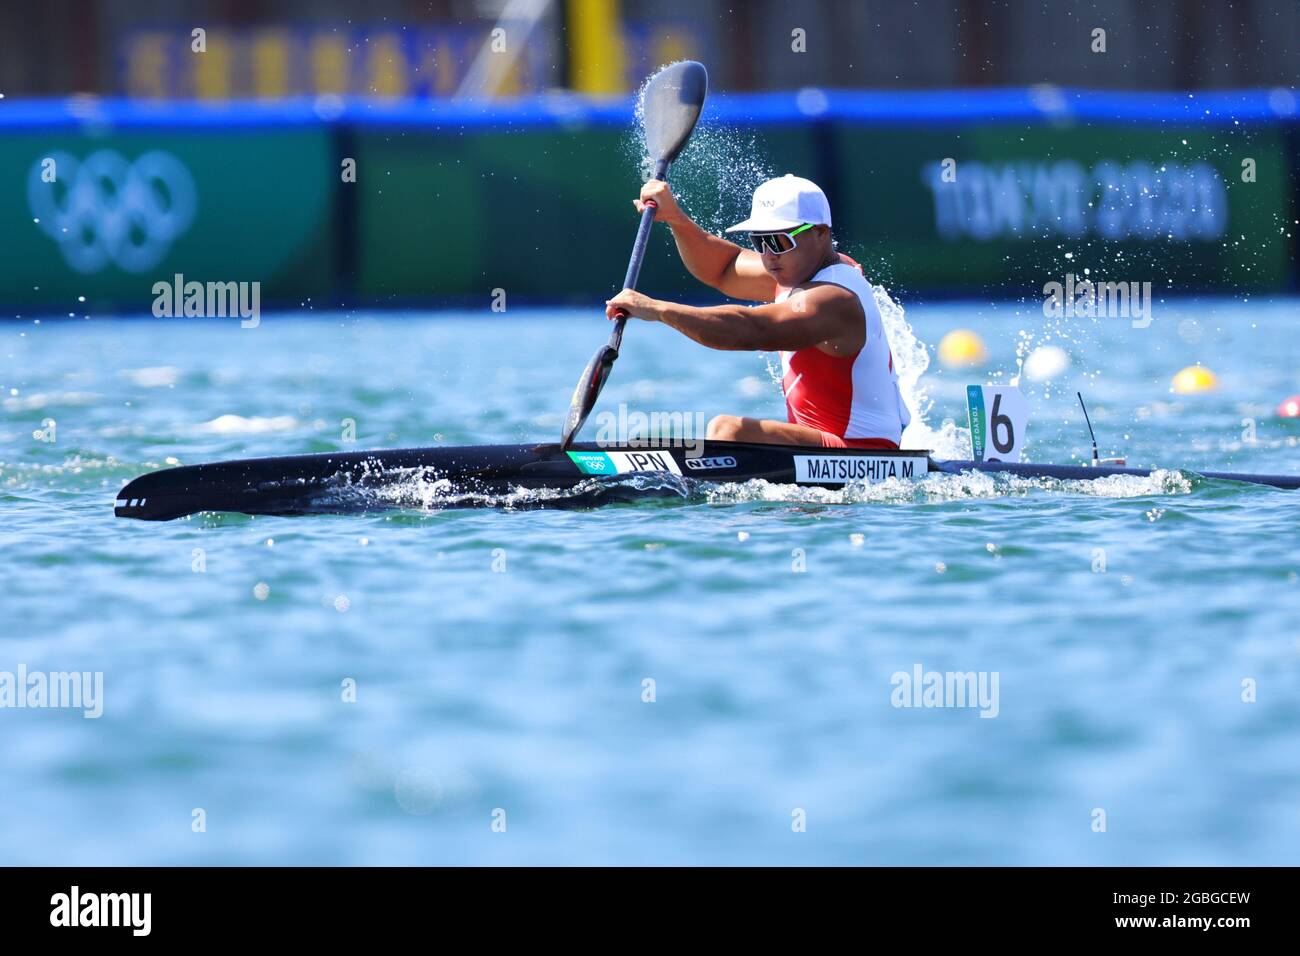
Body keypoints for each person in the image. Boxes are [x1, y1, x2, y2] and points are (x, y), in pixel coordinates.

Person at [604, 174, 911, 448]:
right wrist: (676, 219)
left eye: (778, 240)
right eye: (758, 241)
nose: (767, 256)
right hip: (821, 445)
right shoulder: (797, 268)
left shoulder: (832, 298)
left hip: (862, 451)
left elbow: (751, 330)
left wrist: (657, 309)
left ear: (820, 233)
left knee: (727, 431)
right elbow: (723, 268)